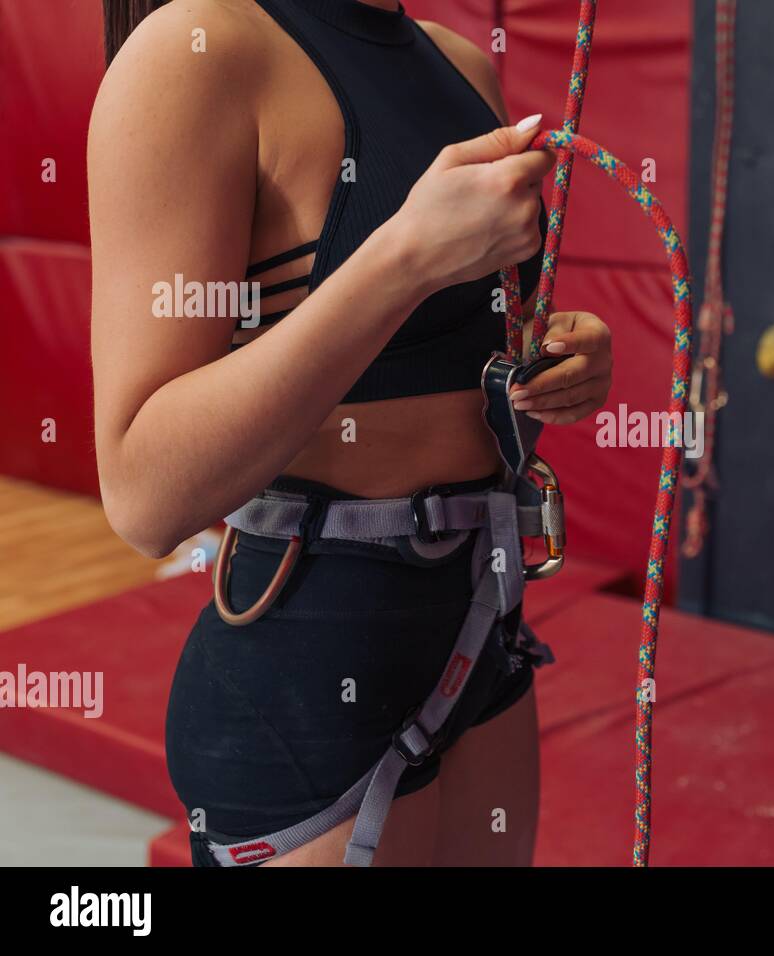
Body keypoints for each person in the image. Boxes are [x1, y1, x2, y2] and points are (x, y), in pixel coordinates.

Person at [88, 0, 613, 866]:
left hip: (479, 619)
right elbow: (145, 496)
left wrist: (556, 358)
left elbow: (446, 351)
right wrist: (405, 257)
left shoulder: (458, 63)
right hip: (309, 644)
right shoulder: (197, 50)